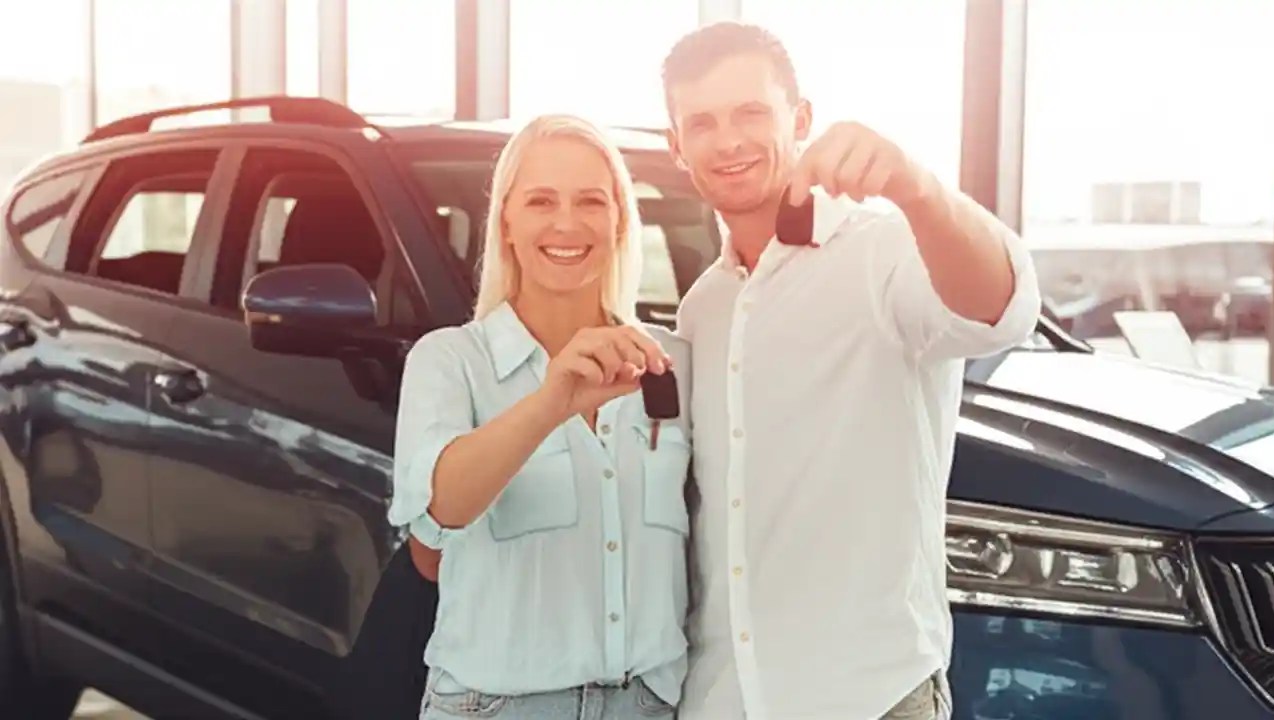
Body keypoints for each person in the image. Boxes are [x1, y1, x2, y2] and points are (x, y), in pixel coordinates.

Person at [661, 22, 1042, 720]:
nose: (730, 140)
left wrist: (918, 188)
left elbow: (1002, 311)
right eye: (703, 122)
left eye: (752, 112)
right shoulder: (701, 310)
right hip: (724, 698)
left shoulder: (886, 253)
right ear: (677, 147)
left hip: (867, 696)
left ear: (800, 119)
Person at [387, 114, 695, 720]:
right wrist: (550, 403)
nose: (566, 222)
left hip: (652, 704)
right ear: (505, 220)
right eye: (541, 201)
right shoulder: (451, 361)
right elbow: (436, 522)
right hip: (499, 706)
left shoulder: (672, 360)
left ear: (619, 221)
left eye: (590, 201)